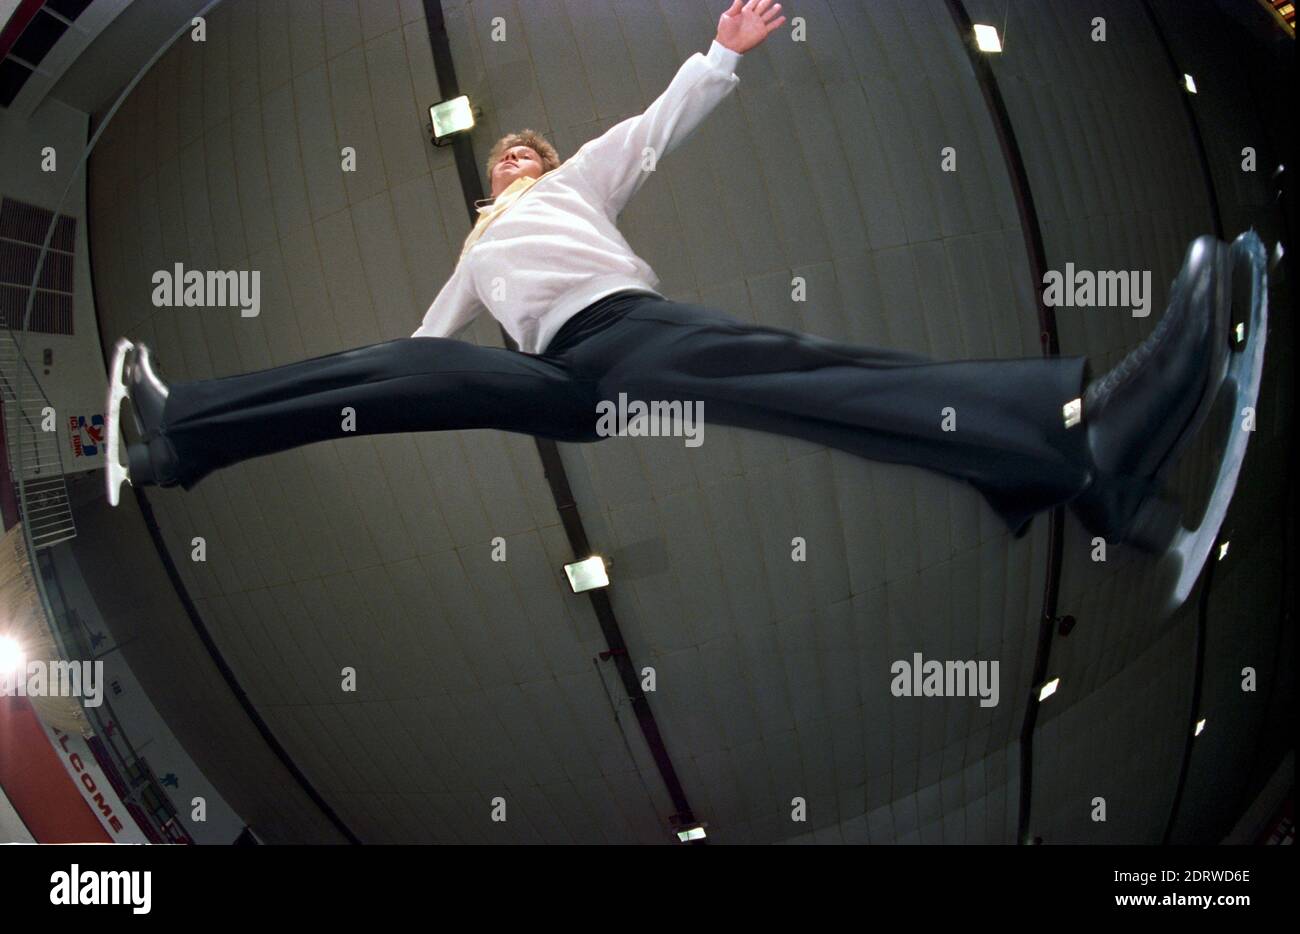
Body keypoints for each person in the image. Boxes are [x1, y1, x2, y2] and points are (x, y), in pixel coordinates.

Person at [106, 0, 1241, 553]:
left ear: (543, 164)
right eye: (499, 160)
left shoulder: (572, 187)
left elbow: (651, 132)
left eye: (521, 151)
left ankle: (1076, 452)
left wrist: (721, 56)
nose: (510, 157)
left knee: (797, 378)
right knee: (386, 370)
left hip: (627, 337)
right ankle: (185, 436)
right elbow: (419, 349)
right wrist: (382, 375)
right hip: (555, 382)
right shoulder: (475, 245)